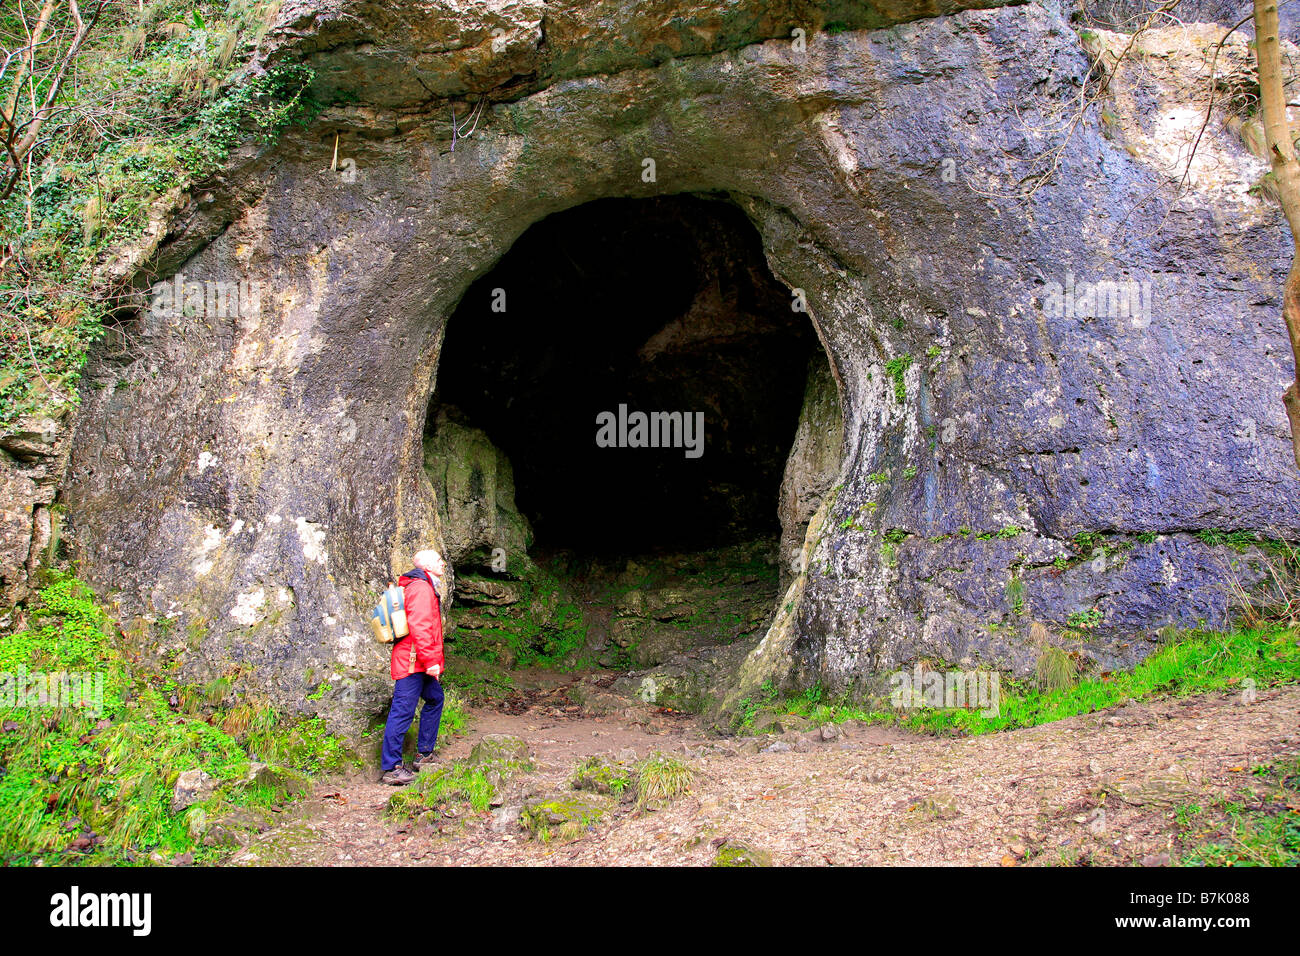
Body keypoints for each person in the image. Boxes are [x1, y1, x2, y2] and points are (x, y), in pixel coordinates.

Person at [380, 549, 447, 786]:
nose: (443, 563)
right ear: (427, 565)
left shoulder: (424, 585)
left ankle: (424, 753)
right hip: (412, 661)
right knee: (402, 711)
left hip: (419, 661)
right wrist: (431, 662)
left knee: (435, 698)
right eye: (439, 560)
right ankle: (391, 768)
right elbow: (420, 626)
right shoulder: (420, 588)